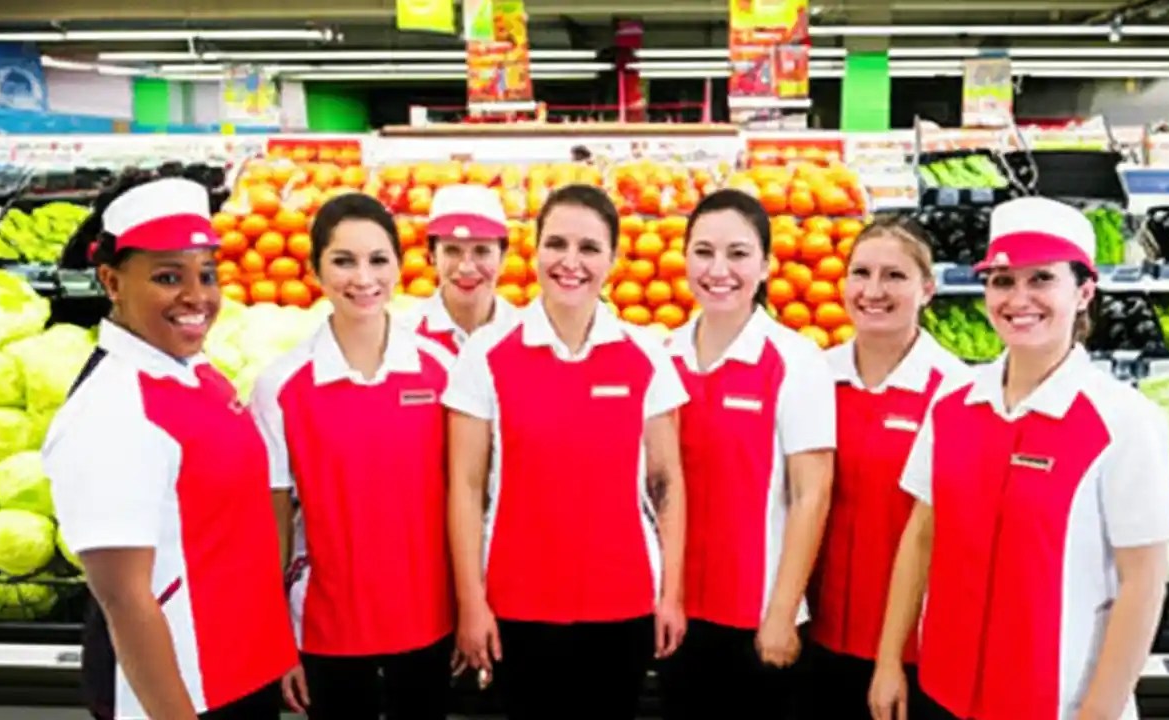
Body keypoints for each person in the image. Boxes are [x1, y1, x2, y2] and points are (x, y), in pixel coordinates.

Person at [869, 197, 1169, 720]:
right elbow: (922, 535)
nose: (1019, 299)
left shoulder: (1123, 421)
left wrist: (1097, 714)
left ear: (1084, 292)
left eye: (1041, 279)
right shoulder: (952, 406)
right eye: (1002, 280)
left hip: (1059, 704)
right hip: (945, 692)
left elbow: (1144, 584)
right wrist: (888, 662)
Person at [43, 176, 298, 720]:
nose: (197, 297)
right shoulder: (111, 412)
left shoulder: (193, 370)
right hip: (184, 692)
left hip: (240, 672)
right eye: (167, 277)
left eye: (206, 274)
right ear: (111, 281)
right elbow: (124, 599)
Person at [443, 183, 689, 720]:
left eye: (589, 248)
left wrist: (671, 594)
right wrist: (471, 601)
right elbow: (463, 487)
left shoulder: (647, 353)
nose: (570, 262)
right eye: (556, 244)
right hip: (516, 599)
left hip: (623, 598)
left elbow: (666, 482)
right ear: (534, 251)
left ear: (614, 260)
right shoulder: (484, 356)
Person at [251, 193, 457, 720]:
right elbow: (273, 523)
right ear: (314, 268)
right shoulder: (280, 386)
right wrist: (274, 640)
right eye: (343, 261)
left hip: (431, 619)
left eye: (377, 259)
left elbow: (469, 496)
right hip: (327, 627)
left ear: (400, 262)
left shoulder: (445, 370)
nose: (363, 278)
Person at [657, 188, 836, 720]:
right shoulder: (661, 356)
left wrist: (782, 613)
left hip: (757, 615)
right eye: (704, 252)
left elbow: (812, 493)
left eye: (738, 254)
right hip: (677, 611)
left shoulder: (796, 361)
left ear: (765, 266)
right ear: (684, 257)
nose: (719, 269)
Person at [804, 218, 969, 719]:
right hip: (817, 635)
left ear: (928, 289)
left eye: (894, 277)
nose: (873, 291)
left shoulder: (956, 393)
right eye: (861, 273)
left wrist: (893, 659)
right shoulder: (811, 377)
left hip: (914, 650)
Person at [395, 184, 517, 353]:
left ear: (503, 257)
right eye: (452, 251)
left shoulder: (529, 337)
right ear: (432, 255)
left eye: (481, 251)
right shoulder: (401, 337)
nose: (466, 267)